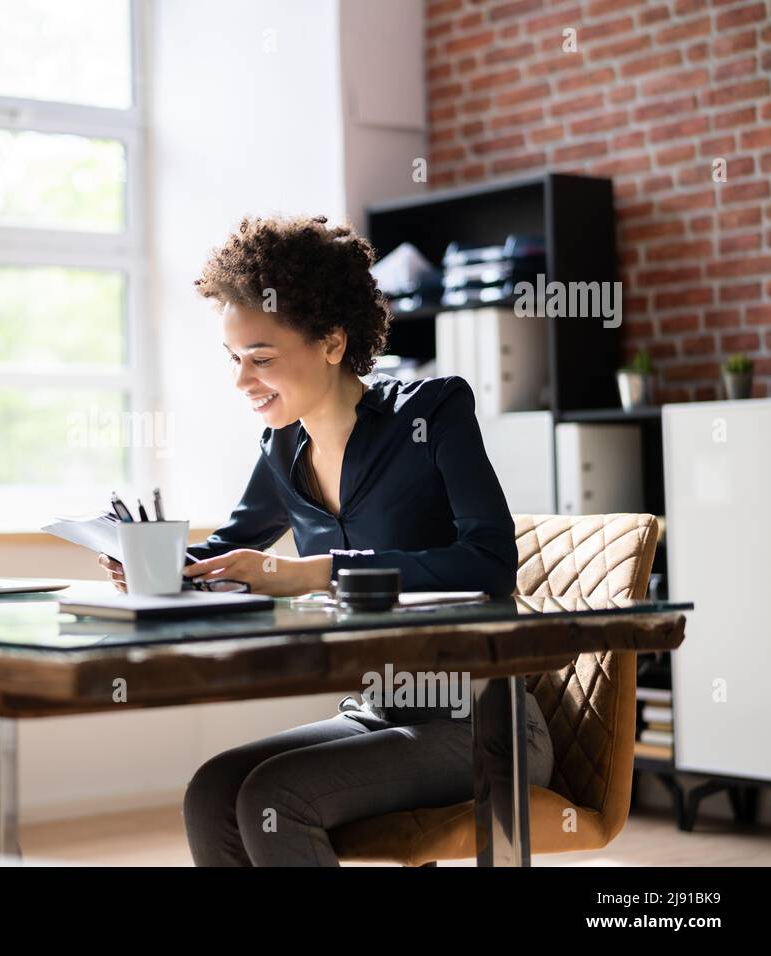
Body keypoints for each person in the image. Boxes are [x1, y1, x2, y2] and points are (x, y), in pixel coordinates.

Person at [99, 215, 553, 866]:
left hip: (481, 723)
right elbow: (228, 551)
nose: (241, 382)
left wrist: (320, 571)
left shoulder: (432, 412)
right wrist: (148, 561)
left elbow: (490, 563)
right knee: (212, 791)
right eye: (234, 360)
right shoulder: (283, 449)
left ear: (334, 342)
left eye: (260, 358)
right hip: (378, 711)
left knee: (274, 797)